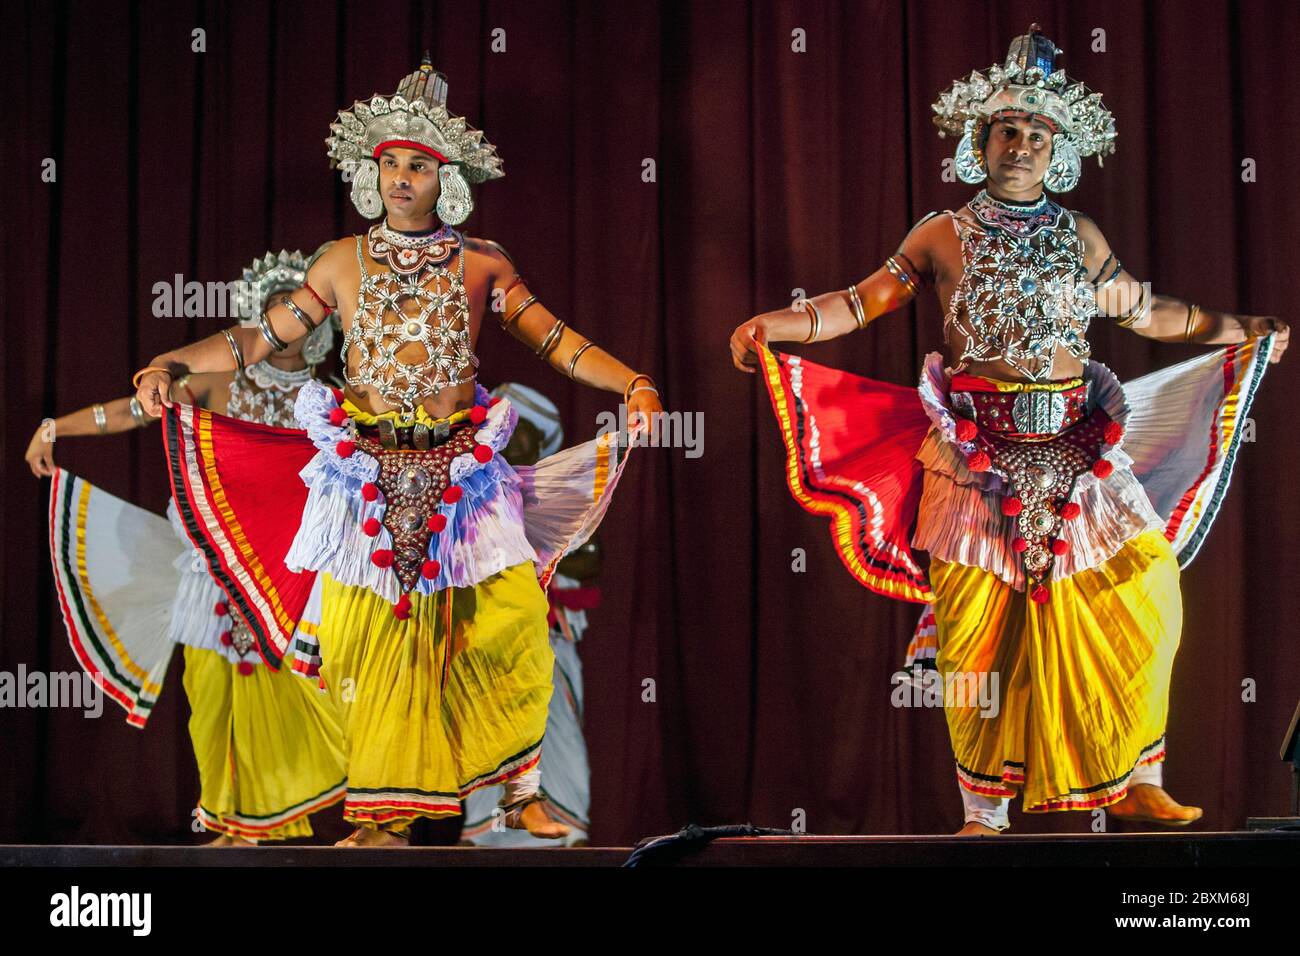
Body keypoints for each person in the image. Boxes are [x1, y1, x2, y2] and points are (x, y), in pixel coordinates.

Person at [729, 25, 1288, 835]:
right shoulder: (939, 234)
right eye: (1006, 130)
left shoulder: (1080, 236)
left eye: (1036, 133)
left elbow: (1150, 311)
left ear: (1055, 150)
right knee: (975, 639)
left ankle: (1137, 774)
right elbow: (858, 303)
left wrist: (1241, 328)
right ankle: (982, 811)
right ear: (979, 141)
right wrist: (773, 323)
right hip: (972, 456)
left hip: (1079, 450)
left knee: (1146, 592)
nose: (1020, 144)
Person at [133, 56, 659, 847]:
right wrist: (174, 364)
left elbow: (557, 342)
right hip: (363, 477)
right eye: (389, 164)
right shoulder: (337, 262)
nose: (401, 178)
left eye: (417, 165)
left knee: (513, 622)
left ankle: (521, 795)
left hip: (462, 473)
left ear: (445, 178)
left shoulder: (484, 263)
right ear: (369, 174)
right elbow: (257, 341)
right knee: (367, 646)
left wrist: (637, 383)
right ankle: (382, 819)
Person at [35, 249, 347, 845]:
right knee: (209, 696)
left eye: (299, 310)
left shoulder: (332, 398)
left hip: (291, 572)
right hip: (213, 566)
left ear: (319, 321)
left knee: (302, 695)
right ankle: (231, 822)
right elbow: (134, 411)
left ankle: (298, 816)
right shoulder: (218, 381)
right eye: (277, 309)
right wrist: (57, 428)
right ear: (261, 318)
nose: (290, 321)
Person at [462, 383, 602, 846]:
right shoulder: (473, 487)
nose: (508, 436)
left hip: (548, 641)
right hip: (491, 641)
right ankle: (483, 835)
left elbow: (590, 558)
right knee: (490, 735)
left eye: (519, 431)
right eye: (502, 427)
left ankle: (570, 834)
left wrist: (532, 538)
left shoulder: (558, 491)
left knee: (557, 735)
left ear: (539, 441)